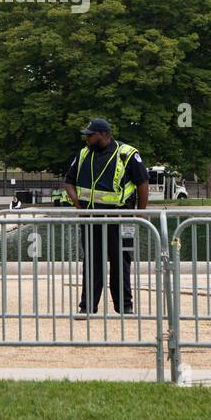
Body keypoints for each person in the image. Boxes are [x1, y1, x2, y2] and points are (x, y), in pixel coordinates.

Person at [63, 118, 149, 315]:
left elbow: (143, 183)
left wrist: (140, 213)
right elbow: (68, 182)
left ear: (103, 134)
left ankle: (124, 306)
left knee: (121, 262)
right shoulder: (84, 154)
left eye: (90, 135)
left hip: (119, 218)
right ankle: (87, 307)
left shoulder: (126, 153)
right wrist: (80, 207)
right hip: (91, 218)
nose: (86, 138)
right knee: (92, 262)